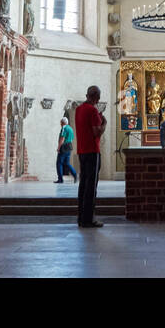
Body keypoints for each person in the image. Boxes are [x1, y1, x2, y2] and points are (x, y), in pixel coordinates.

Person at [74, 85, 107, 227]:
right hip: (92, 151)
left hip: (82, 151)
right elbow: (96, 132)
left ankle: (81, 217)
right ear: (96, 97)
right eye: (98, 98)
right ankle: (89, 219)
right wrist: (104, 123)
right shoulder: (93, 110)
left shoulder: (78, 109)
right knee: (91, 187)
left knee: (83, 185)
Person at [55, 116, 77, 183]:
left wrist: (59, 147)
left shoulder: (64, 128)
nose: (60, 124)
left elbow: (62, 138)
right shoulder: (70, 128)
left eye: (61, 123)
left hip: (64, 147)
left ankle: (60, 179)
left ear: (63, 123)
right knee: (66, 163)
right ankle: (75, 174)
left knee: (59, 163)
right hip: (69, 146)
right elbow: (72, 138)